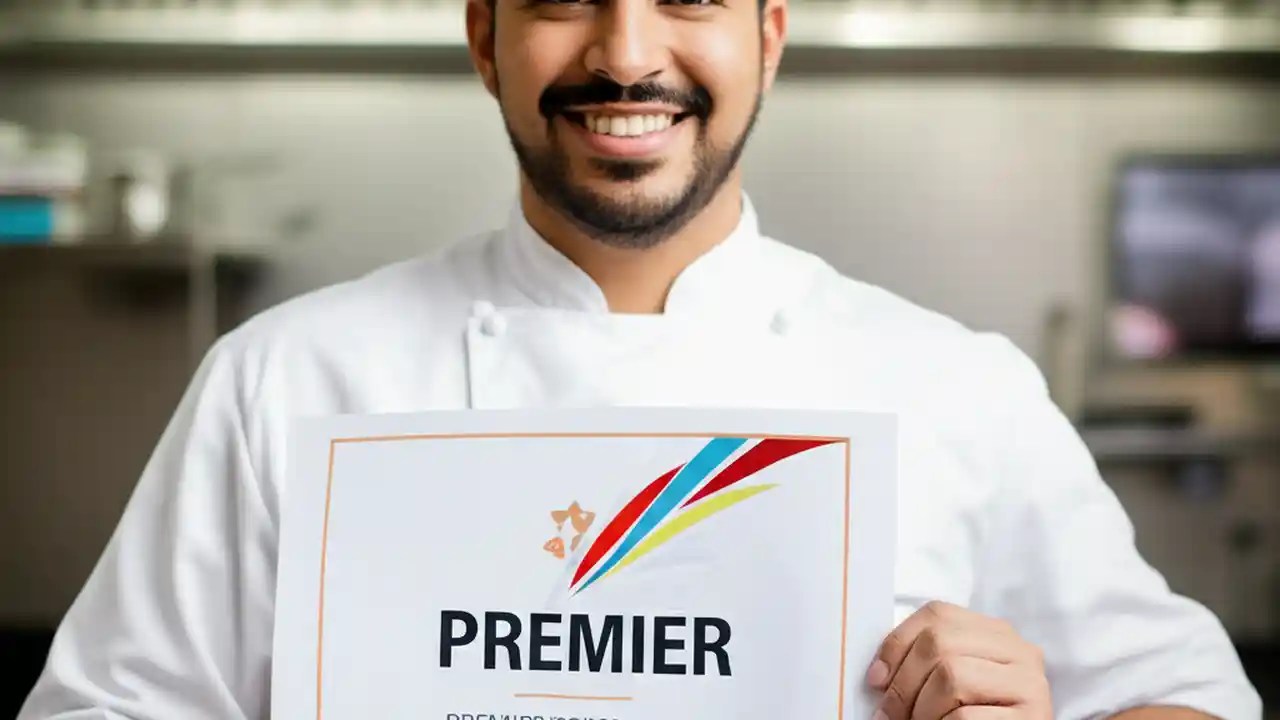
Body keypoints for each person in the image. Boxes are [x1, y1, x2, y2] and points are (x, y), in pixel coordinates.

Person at [19, 0, 1262, 717]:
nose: (625, 52)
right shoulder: (283, 379)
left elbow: (1193, 701)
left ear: (768, 36)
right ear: (481, 35)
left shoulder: (956, 387)